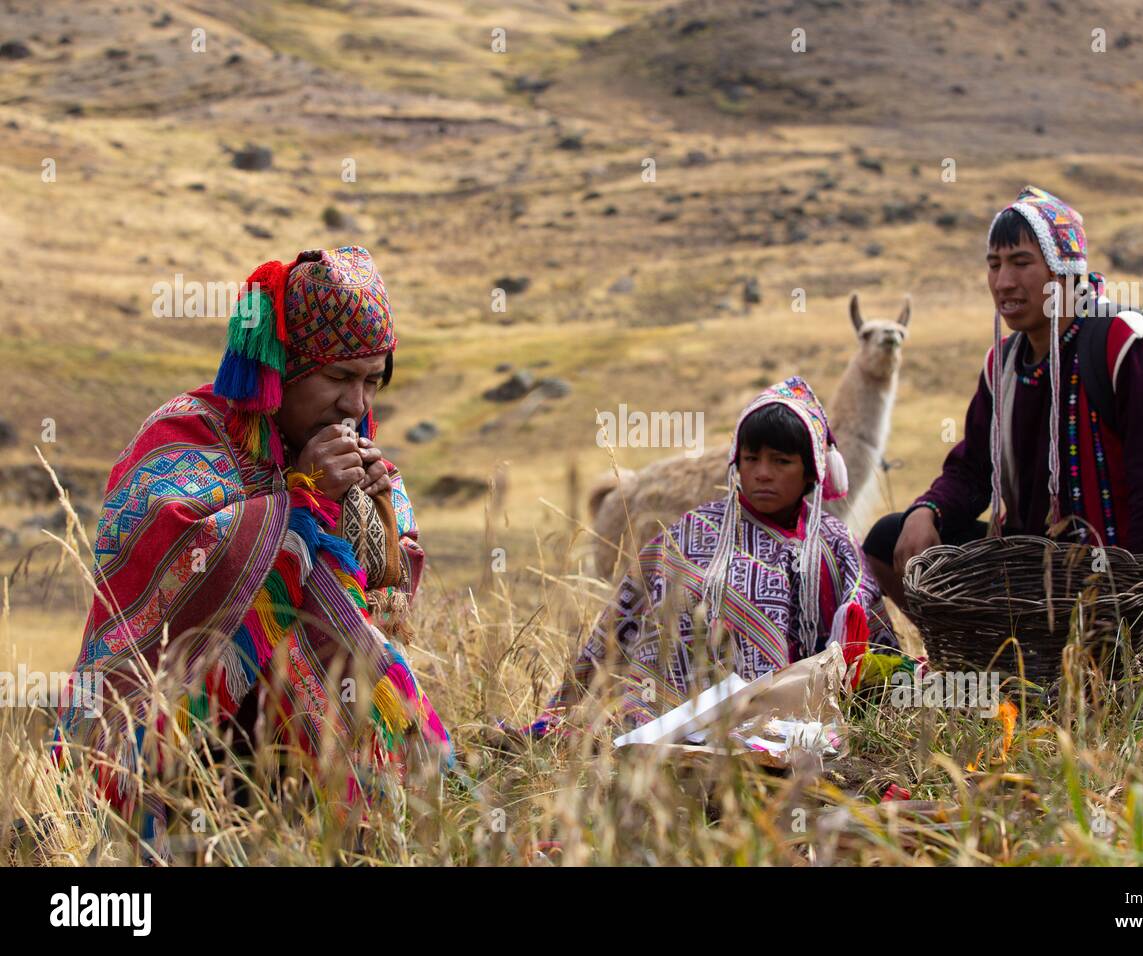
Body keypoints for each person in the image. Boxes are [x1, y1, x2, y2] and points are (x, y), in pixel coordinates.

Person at [53, 246, 451, 853]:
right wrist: (300, 500)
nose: (357, 405)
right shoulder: (182, 440)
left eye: (372, 380)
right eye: (339, 378)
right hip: (180, 756)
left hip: (298, 765)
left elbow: (388, 620)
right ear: (282, 371)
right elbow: (180, 597)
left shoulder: (358, 463)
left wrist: (373, 517)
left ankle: (354, 827)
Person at [864, 186, 1143, 616]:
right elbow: (973, 470)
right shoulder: (1003, 364)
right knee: (887, 539)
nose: (1003, 282)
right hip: (1031, 572)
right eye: (994, 265)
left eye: (1021, 263)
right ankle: (977, 648)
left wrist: (1130, 605)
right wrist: (927, 511)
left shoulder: (1126, 346)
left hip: (1119, 580)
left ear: (1064, 271)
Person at [549, 376, 897, 729]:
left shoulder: (837, 543)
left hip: (818, 722)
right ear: (736, 464)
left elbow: (874, 642)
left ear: (811, 471)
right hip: (682, 724)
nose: (762, 473)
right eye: (751, 459)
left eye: (780, 461)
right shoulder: (690, 536)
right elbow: (623, 622)